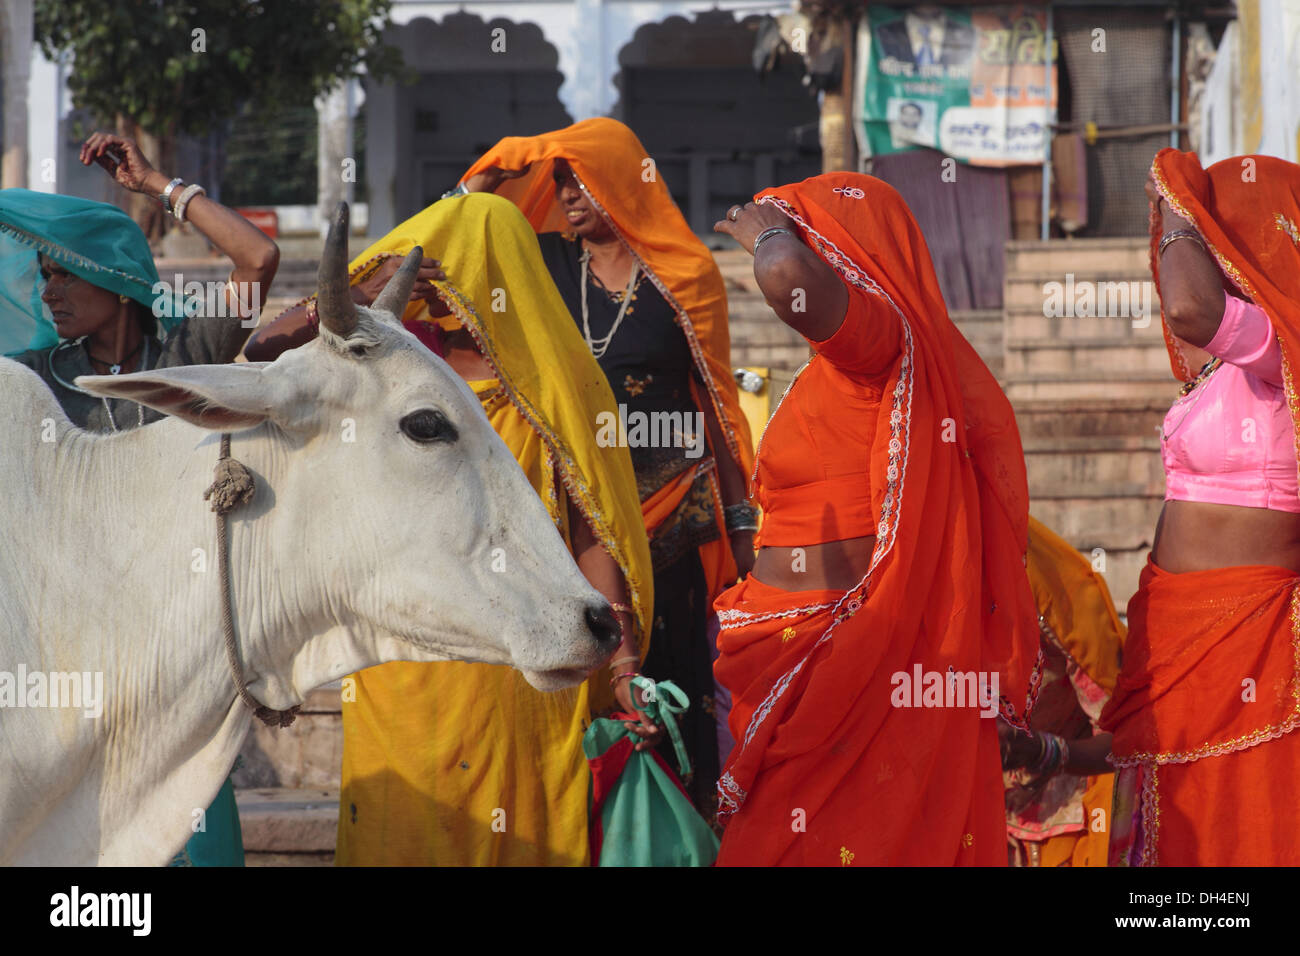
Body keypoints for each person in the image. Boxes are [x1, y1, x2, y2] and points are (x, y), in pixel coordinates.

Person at [245, 191, 655, 865]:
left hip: (522, 661)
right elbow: (263, 351)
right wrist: (358, 290)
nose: (438, 292)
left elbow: (590, 533)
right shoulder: (389, 375)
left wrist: (623, 663)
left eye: (453, 273)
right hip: (406, 663)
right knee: (402, 832)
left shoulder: (558, 385)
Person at [709, 172, 1040, 866]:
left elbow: (784, 278)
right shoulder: (840, 368)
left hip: (840, 651)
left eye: (815, 235)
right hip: (790, 646)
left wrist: (768, 228)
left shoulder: (879, 344)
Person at [457, 118, 755, 814]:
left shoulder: (687, 276)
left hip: (671, 524)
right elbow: (463, 234)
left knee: (674, 696)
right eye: (557, 181)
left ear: (623, 179)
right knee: (586, 694)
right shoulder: (549, 267)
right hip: (572, 520)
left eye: (580, 177)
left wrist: (742, 537)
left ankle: (684, 842)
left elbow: (714, 408)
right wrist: (499, 165)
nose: (565, 195)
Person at [0, 132, 280, 865]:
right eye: (43, 276)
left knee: (191, 835)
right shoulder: (36, 377)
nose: (47, 292)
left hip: (172, 647)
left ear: (114, 277)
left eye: (64, 276)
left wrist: (159, 185)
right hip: (66, 649)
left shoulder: (186, 357)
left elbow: (257, 261)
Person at [1099, 150, 1300, 866]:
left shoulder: (1284, 346)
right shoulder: (1224, 371)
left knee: (1233, 833)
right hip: (1177, 624)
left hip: (1250, 632)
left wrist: (1181, 208)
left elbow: (1189, 306)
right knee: (1176, 836)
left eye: (1222, 237)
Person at [1000, 516, 1124, 867]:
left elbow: (1126, 741)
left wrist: (1044, 752)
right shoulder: (901, 585)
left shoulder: (1049, 596)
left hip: (1069, 818)